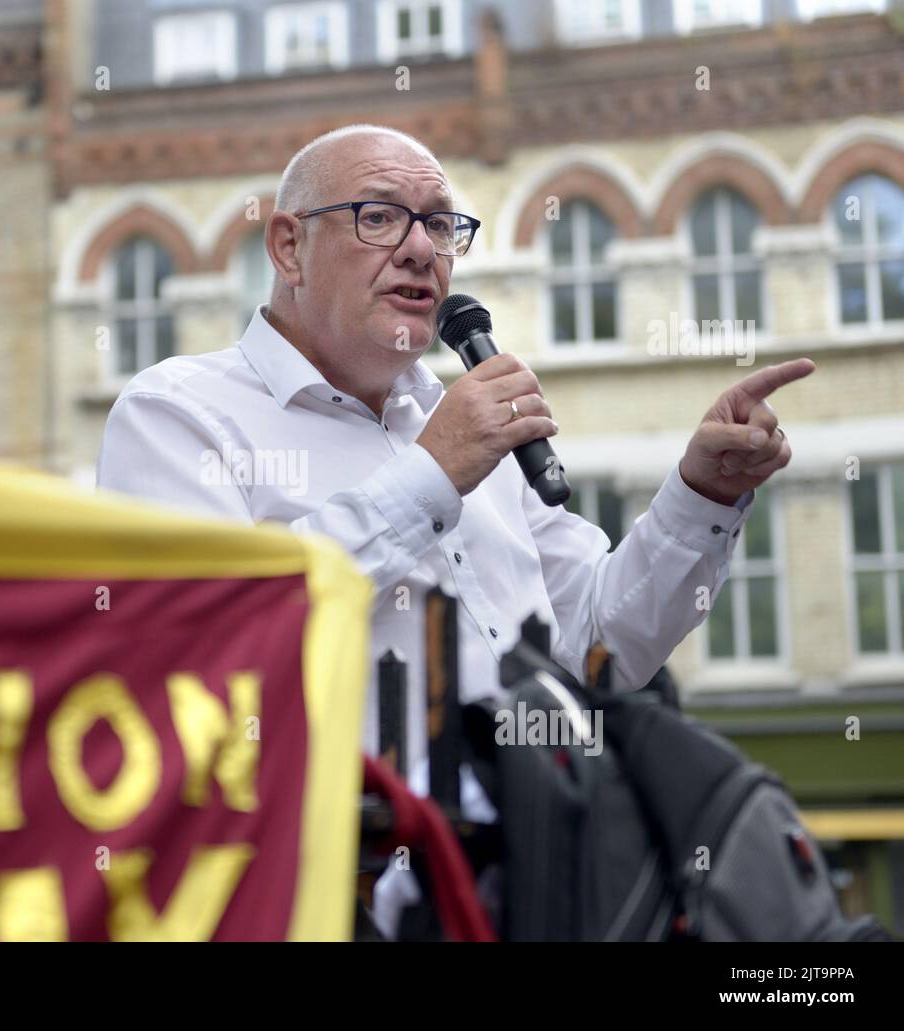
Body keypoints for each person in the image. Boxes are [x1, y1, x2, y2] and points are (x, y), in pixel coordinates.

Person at [95, 123, 813, 776]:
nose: (418, 248)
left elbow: (599, 643)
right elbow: (201, 651)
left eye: (439, 224)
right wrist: (431, 476)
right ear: (289, 247)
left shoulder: (461, 421)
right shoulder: (175, 414)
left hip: (543, 865)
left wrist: (701, 497)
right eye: (377, 217)